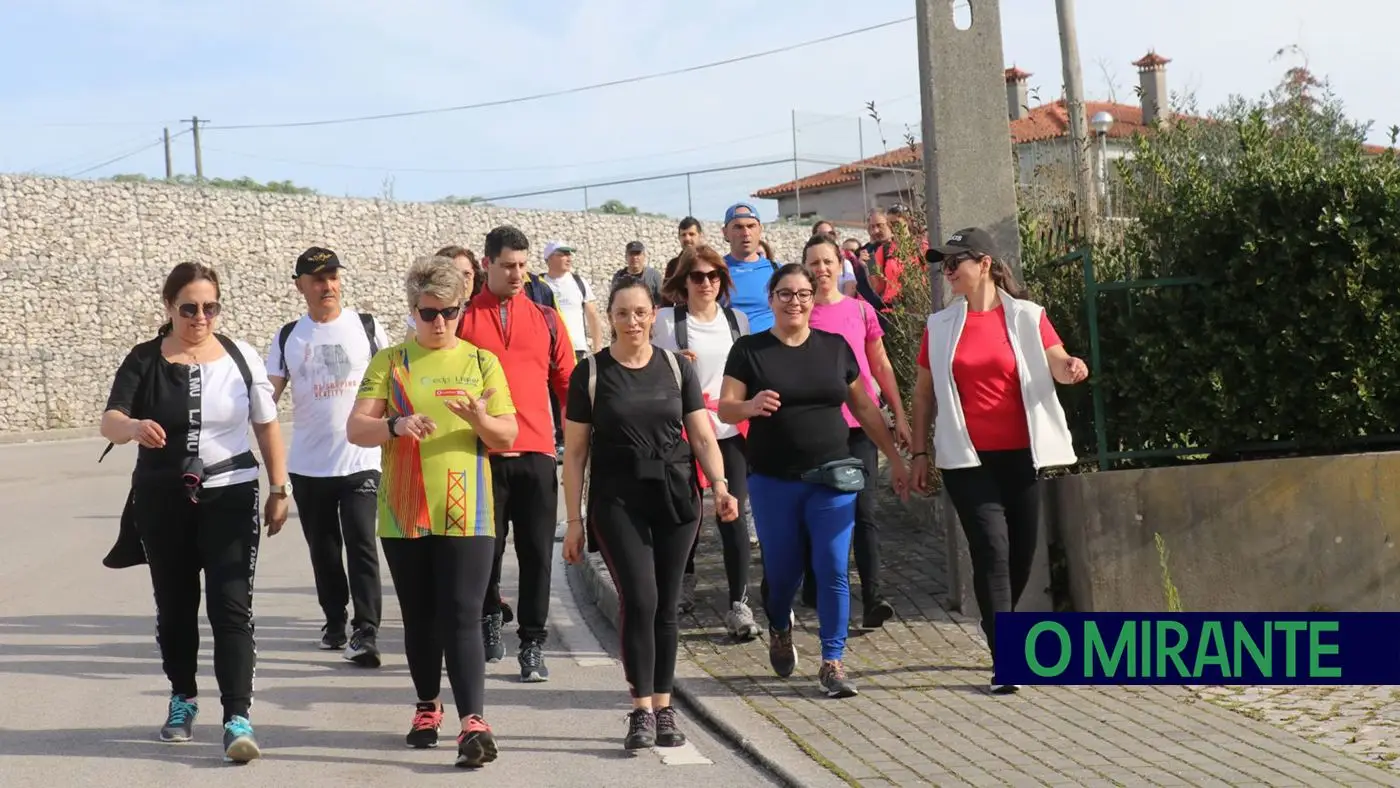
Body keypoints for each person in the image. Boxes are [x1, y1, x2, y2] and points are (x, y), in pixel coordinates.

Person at [100, 261, 289, 764]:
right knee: (177, 605)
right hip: (162, 496)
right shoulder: (144, 358)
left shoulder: (241, 357)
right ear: (169, 308)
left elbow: (267, 426)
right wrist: (135, 427)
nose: (200, 317)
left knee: (231, 608)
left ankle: (237, 717)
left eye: (210, 307)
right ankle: (182, 697)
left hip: (230, 492)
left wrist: (279, 487)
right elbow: (110, 420)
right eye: (189, 307)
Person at [347, 255, 517, 767]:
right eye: (427, 312)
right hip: (404, 508)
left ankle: (473, 723)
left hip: (470, 509)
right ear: (413, 311)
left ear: (461, 308)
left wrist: (482, 419)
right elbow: (357, 429)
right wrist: (396, 425)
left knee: (464, 613)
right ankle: (427, 706)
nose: (438, 321)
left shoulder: (482, 362)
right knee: (420, 617)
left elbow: (508, 435)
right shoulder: (391, 363)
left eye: (448, 311)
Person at [909, 227, 1088, 694]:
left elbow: (1057, 361)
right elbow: (924, 392)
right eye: (943, 265)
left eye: (955, 263)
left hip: (1022, 457)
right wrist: (920, 451)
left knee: (1022, 554)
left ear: (984, 262)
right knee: (992, 550)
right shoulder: (940, 326)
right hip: (966, 461)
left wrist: (1071, 369)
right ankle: (1006, 656)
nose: (947, 272)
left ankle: (1000, 631)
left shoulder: (1028, 317)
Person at [561, 280, 737, 751]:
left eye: (641, 312)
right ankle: (640, 708)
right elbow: (575, 453)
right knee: (639, 599)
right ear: (611, 317)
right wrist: (574, 521)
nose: (633, 321)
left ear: (653, 314)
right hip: (617, 502)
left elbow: (701, 436)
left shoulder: (677, 369)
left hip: (677, 499)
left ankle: (664, 707)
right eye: (622, 313)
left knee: (664, 606)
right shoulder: (591, 373)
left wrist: (719, 486)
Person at [719, 264, 909, 699]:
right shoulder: (750, 351)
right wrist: (750, 406)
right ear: (771, 299)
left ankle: (833, 661)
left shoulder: (835, 347)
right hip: (773, 481)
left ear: (813, 297)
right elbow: (726, 408)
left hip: (832, 478)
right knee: (783, 574)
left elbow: (864, 409)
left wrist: (895, 458)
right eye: (785, 294)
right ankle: (780, 624)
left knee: (832, 568)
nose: (795, 302)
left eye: (803, 293)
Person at [458, 225, 576, 680]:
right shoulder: (464, 318)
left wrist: (580, 440)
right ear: (486, 264)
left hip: (538, 452)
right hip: (483, 455)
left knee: (536, 556)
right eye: (508, 265)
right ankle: (490, 614)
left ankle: (532, 643)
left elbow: (567, 383)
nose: (517, 274)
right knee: (486, 552)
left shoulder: (546, 318)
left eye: (523, 266)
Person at [267, 246, 389, 666]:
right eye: (318, 279)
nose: (328, 286)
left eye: (333, 277)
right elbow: (267, 401)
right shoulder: (288, 336)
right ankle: (334, 619)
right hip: (309, 465)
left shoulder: (367, 327)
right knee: (323, 548)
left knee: (361, 542)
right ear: (301, 285)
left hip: (361, 459)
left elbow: (393, 383)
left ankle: (366, 630)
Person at [802, 234, 912, 628]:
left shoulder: (861, 311)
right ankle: (817, 584)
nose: (821, 270)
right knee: (824, 516)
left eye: (827, 261)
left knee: (865, 512)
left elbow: (880, 366)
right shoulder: (800, 315)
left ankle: (874, 597)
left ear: (840, 264)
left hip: (863, 426)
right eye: (813, 263)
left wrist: (899, 415)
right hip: (819, 429)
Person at [652, 245, 759, 639]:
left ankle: (740, 603)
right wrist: (674, 362)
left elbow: (747, 373)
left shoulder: (738, 321)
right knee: (687, 514)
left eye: (714, 276)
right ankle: (684, 582)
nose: (707, 283)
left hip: (730, 430)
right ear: (684, 281)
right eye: (698, 276)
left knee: (733, 512)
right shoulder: (666, 321)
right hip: (684, 431)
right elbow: (647, 367)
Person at [541, 240, 602, 456]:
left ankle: (583, 436)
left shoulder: (579, 282)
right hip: (548, 350)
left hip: (576, 348)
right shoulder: (540, 284)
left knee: (579, 394)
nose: (568, 258)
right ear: (549, 258)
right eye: (563, 254)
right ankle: (561, 439)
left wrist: (597, 346)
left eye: (570, 254)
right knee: (554, 396)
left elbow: (592, 316)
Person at [720, 202, 779, 333]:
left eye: (751, 226)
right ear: (725, 232)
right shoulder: (714, 272)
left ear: (760, 229)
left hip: (770, 349)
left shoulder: (778, 271)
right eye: (738, 227)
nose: (746, 233)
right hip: (731, 351)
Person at [405, 246, 481, 333]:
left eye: (466, 274)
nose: (462, 280)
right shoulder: (422, 315)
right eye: (454, 273)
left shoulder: (484, 315)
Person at [662, 217, 704, 304]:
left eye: (691, 234)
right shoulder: (673, 265)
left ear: (700, 236)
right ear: (679, 238)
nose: (687, 238)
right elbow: (666, 298)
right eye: (683, 235)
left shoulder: (710, 263)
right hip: (681, 315)